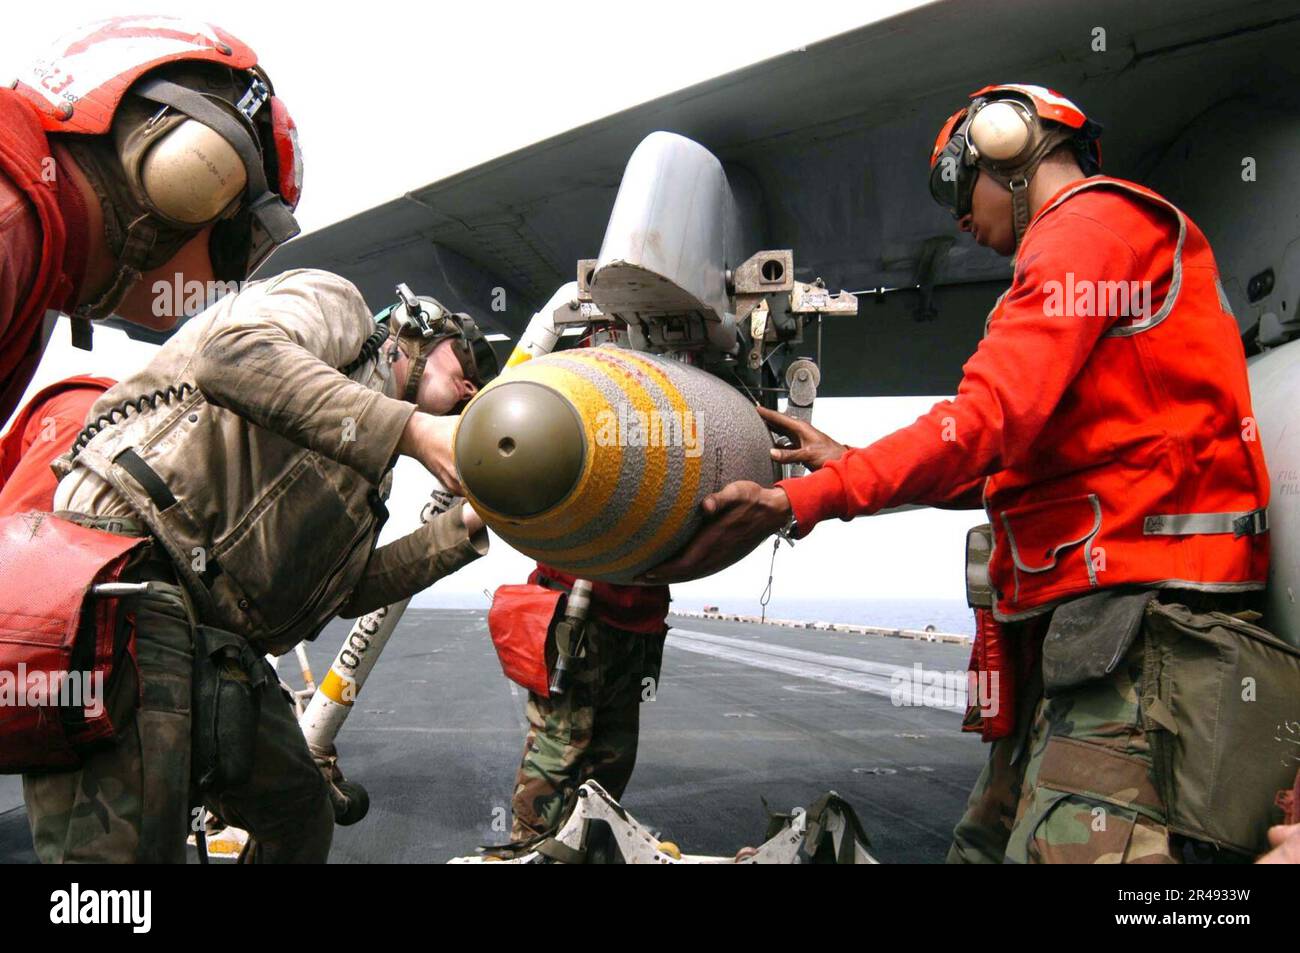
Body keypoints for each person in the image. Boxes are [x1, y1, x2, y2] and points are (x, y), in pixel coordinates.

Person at [647, 84, 1281, 863]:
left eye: (957, 183)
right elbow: (1011, 459)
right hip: (1090, 634)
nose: (957, 220)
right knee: (982, 844)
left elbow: (985, 421)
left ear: (1010, 145)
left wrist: (799, 499)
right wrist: (848, 464)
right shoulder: (1091, 243)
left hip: (1138, 636)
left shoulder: (1087, 228)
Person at [21, 271, 495, 863]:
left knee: (299, 816)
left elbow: (341, 593)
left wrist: (463, 529)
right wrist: (413, 430)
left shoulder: (371, 476)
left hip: (213, 631)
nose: (472, 381)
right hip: (133, 561)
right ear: (417, 328)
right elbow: (231, 357)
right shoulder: (336, 306)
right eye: (465, 357)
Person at [0, 15, 303, 504]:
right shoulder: (9, 228)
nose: (228, 283)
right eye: (237, 245)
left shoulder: (33, 255)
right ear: (189, 171)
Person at [510, 564, 670, 842]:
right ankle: (529, 850)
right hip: (575, 614)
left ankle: (582, 848)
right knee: (559, 747)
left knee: (615, 753)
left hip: (639, 622)